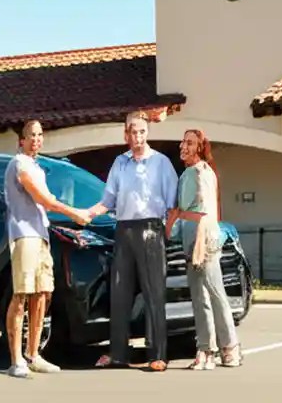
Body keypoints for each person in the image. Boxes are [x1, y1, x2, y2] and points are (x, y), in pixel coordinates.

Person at [83, 111, 178, 372]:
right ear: (126, 134)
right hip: (123, 230)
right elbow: (108, 200)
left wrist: (166, 232)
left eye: (142, 132)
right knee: (119, 293)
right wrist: (87, 214)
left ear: (147, 133)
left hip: (151, 229)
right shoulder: (119, 163)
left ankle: (158, 354)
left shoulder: (161, 163)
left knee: (153, 294)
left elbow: (173, 204)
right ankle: (118, 353)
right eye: (134, 132)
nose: (138, 137)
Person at [3, 119, 91, 378]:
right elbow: (42, 199)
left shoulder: (37, 166)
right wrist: (73, 213)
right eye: (31, 135)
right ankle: (16, 360)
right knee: (21, 295)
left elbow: (45, 204)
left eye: (40, 135)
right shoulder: (19, 164)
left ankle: (33, 355)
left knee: (43, 293)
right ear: (21, 140)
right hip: (24, 236)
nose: (37, 139)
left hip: (41, 235)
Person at [165, 128, 241, 369]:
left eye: (189, 143)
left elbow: (205, 212)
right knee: (199, 298)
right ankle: (205, 350)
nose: (183, 147)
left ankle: (231, 348)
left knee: (216, 294)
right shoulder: (187, 173)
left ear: (199, 147)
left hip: (204, 241)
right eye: (182, 142)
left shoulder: (203, 173)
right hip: (190, 239)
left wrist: (198, 239)